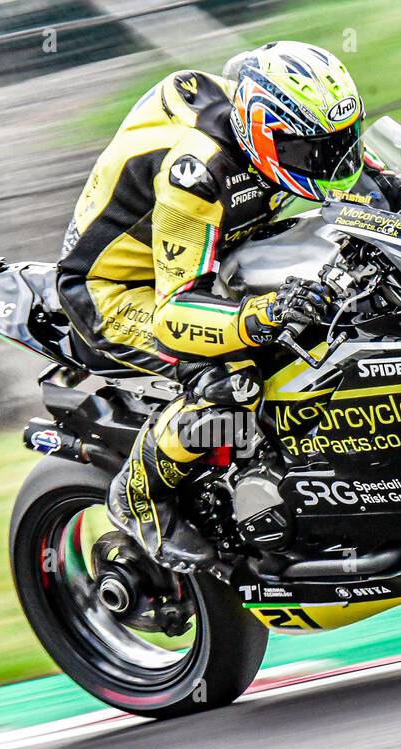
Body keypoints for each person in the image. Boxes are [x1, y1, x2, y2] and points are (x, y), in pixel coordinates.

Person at [56, 41, 367, 571]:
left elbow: (384, 188)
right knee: (233, 379)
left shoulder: (293, 131)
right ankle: (138, 497)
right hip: (122, 290)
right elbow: (175, 315)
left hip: (218, 254)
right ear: (262, 135)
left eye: (340, 141)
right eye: (309, 149)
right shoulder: (196, 172)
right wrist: (261, 315)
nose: (329, 161)